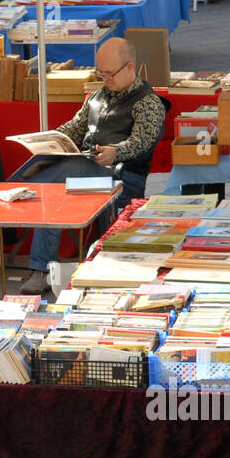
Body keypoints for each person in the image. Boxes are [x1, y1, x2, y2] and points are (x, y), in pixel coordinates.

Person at [18, 37, 167, 296]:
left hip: (119, 175)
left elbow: (143, 141)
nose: (105, 79)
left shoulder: (148, 102)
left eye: (110, 74)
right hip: (87, 170)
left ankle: (40, 267)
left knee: (57, 179)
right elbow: (73, 128)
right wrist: (50, 140)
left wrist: (116, 152)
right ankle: (42, 268)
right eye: (102, 73)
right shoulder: (98, 96)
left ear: (130, 68)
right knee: (56, 181)